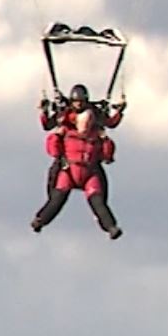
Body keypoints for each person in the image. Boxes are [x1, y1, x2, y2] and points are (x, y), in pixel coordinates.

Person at [31, 104, 122, 239]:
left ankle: (111, 227)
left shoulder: (96, 136)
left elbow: (107, 156)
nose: (86, 125)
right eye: (84, 122)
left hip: (89, 172)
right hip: (69, 170)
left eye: (89, 122)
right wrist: (56, 135)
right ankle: (40, 221)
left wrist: (105, 140)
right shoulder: (67, 132)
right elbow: (53, 150)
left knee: (97, 201)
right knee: (58, 198)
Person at [39, 84, 126, 196]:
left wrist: (119, 112)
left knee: (100, 186)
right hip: (67, 159)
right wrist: (44, 111)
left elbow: (110, 123)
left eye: (81, 101)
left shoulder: (94, 113)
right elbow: (47, 125)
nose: (79, 104)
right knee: (55, 181)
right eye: (76, 101)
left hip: (89, 158)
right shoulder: (65, 113)